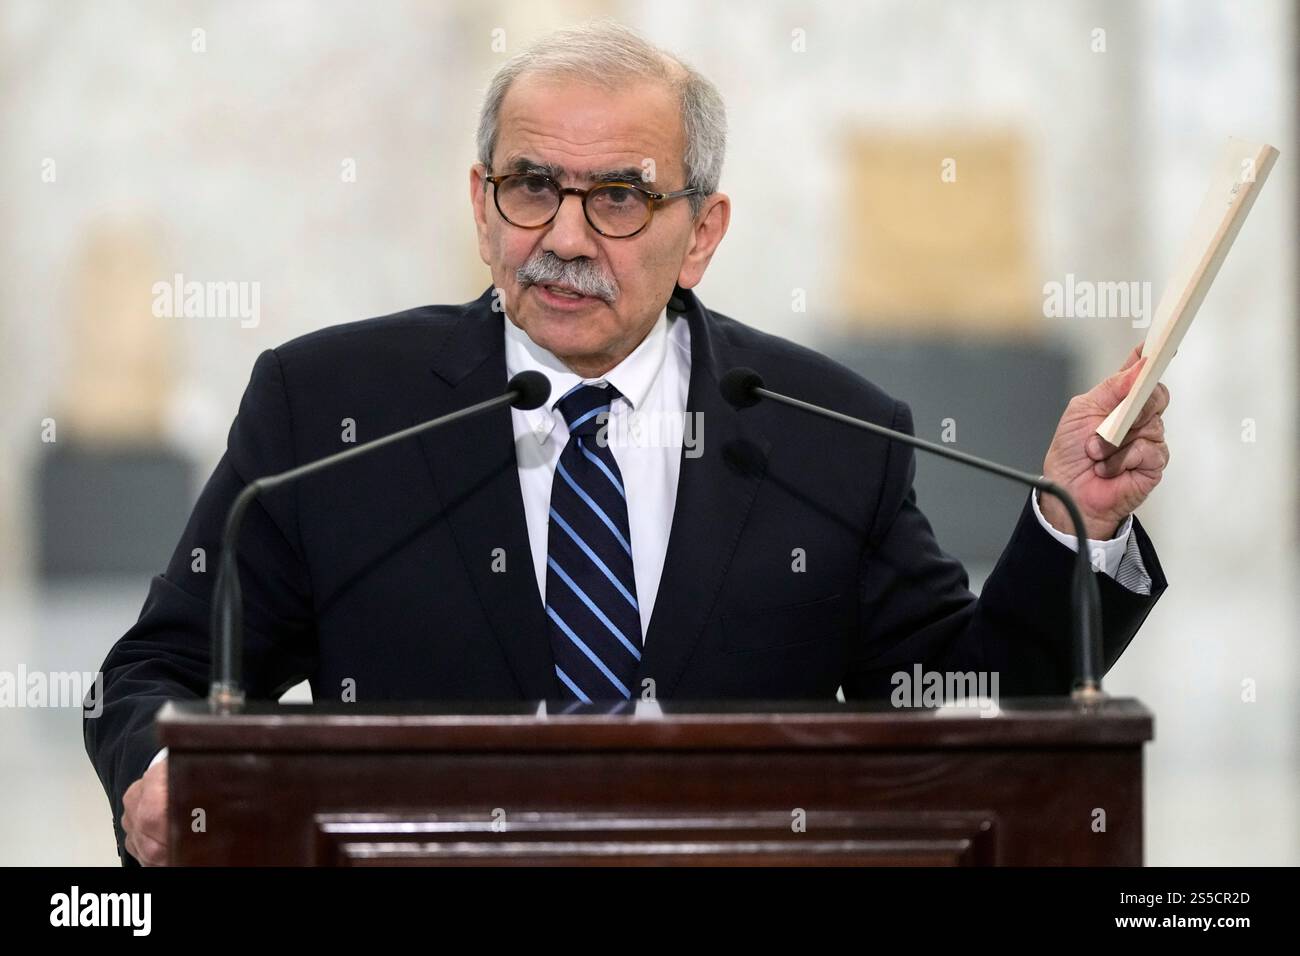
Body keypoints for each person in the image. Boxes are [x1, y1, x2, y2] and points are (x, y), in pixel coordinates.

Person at [86, 21, 1171, 866]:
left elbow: (959, 696)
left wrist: (1072, 516)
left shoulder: (824, 430)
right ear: (480, 202)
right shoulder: (330, 407)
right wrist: (157, 768)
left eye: (616, 198)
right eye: (529, 188)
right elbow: (160, 667)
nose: (562, 237)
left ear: (701, 231)